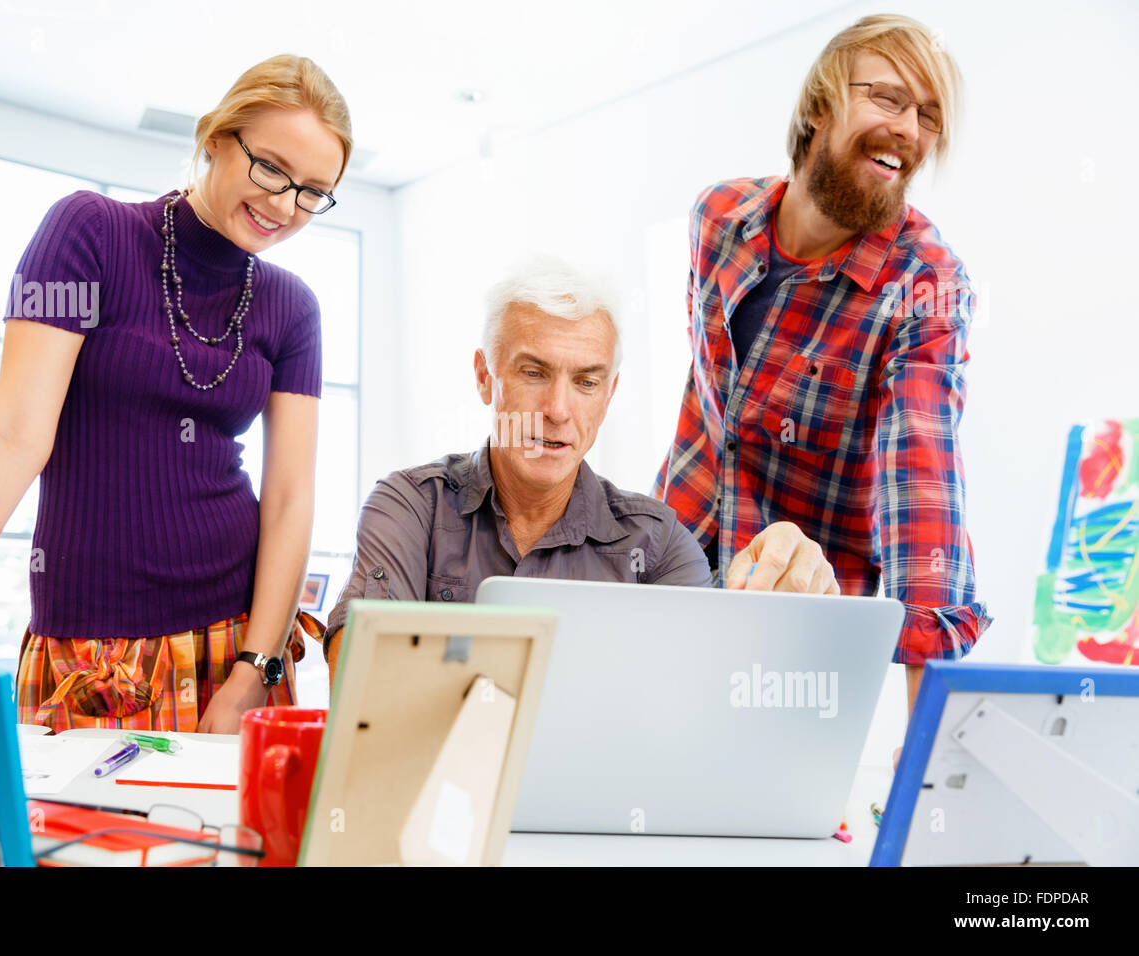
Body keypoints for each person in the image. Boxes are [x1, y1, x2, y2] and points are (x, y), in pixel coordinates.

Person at [0, 54, 349, 735]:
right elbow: (12, 435)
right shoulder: (90, 232)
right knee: (60, 842)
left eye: (312, 191)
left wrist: (256, 669)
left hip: (230, 644)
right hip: (83, 647)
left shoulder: (292, 308)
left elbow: (289, 498)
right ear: (216, 138)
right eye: (271, 168)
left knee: (229, 844)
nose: (284, 204)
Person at [653, 14, 991, 724]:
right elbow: (708, 405)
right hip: (673, 572)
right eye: (889, 99)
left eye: (928, 115)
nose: (910, 129)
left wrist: (922, 751)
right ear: (817, 108)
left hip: (801, 629)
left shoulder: (924, 284)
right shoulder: (718, 218)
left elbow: (921, 481)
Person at [323, 258, 838, 683]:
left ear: (609, 395)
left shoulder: (657, 544)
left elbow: (698, 701)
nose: (558, 409)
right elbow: (364, 683)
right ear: (485, 377)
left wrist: (771, 620)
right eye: (533, 373)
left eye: (587, 382)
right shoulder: (412, 505)